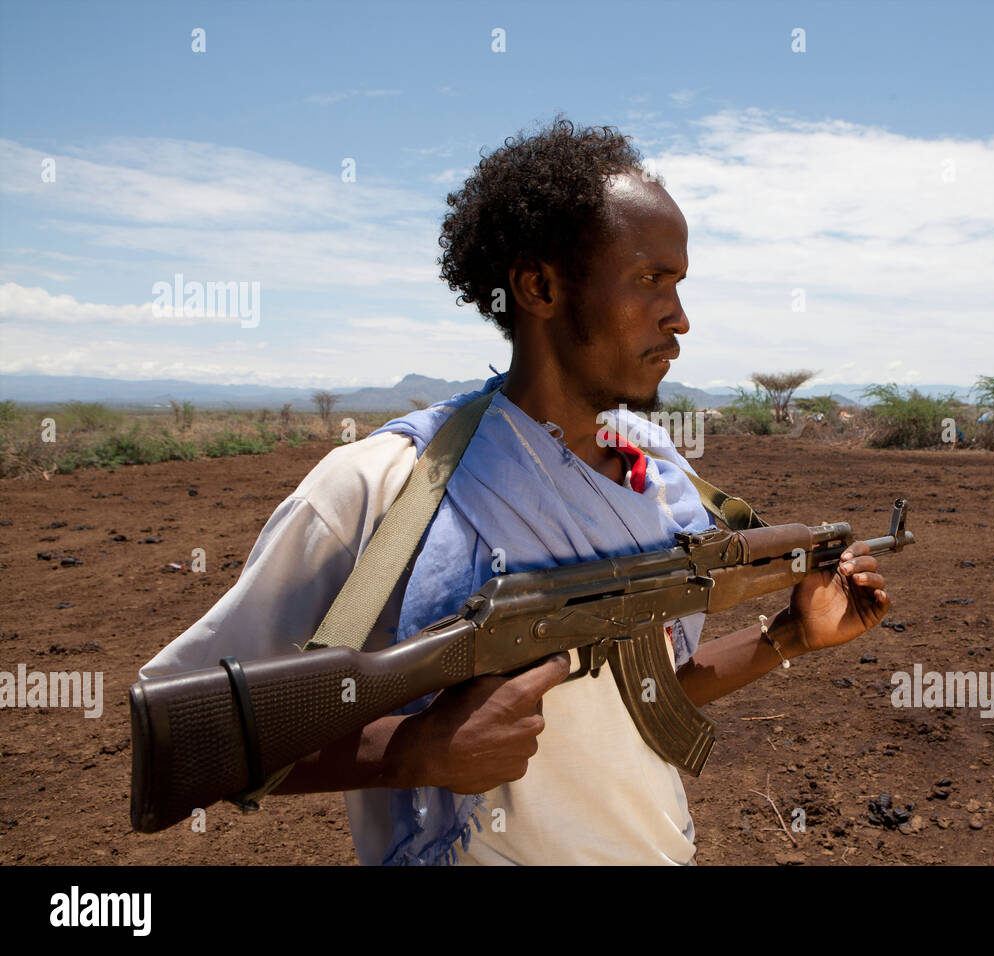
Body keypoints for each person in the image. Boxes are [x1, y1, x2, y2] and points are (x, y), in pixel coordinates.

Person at [138, 116, 893, 866]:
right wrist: (410, 752)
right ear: (538, 286)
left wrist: (788, 638)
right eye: (648, 281)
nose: (681, 318)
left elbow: (641, 707)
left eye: (680, 284)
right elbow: (189, 736)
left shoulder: (663, 480)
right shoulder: (385, 490)